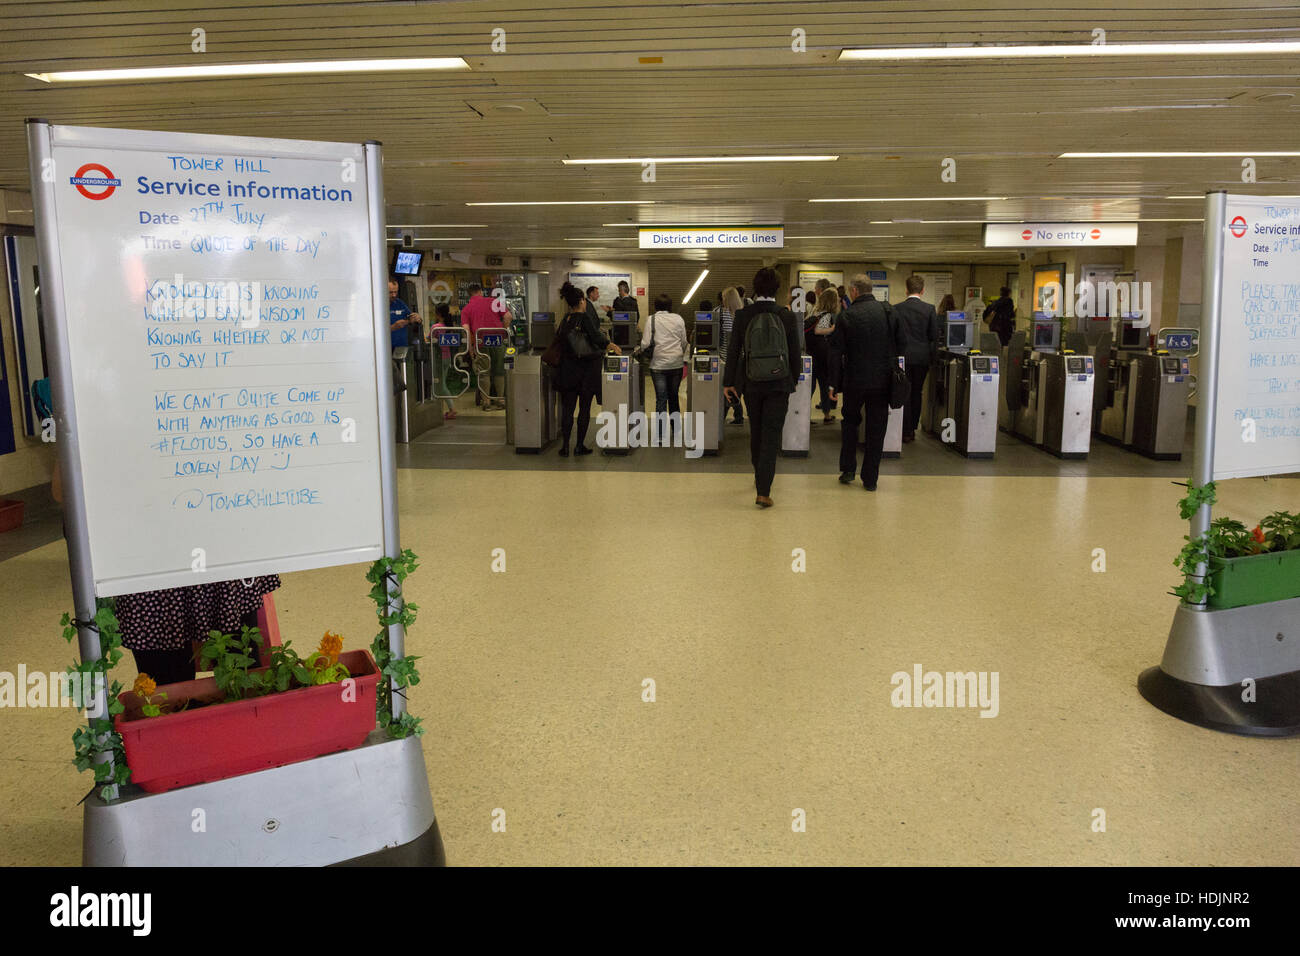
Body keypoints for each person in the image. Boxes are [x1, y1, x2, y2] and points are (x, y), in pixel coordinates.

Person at [723, 267, 802, 508]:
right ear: (777, 289)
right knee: (771, 434)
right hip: (779, 383)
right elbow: (794, 353)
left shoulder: (744, 314)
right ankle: (764, 490)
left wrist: (729, 383)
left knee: (756, 430)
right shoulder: (786, 315)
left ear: (755, 288)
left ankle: (760, 476)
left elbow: (734, 350)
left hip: (752, 381)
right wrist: (793, 380)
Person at [828, 274, 906, 492]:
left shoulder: (847, 315)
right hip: (882, 381)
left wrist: (833, 384)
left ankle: (848, 469)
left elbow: (836, 353)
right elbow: (902, 345)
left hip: (854, 380)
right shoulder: (889, 312)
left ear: (854, 291)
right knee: (876, 427)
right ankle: (871, 478)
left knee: (850, 423)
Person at [555, 281, 620, 456]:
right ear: (582, 301)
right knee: (584, 409)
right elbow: (596, 337)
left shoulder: (565, 319)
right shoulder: (584, 318)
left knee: (568, 409)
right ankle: (579, 446)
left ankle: (565, 447)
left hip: (567, 371)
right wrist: (610, 344)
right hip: (585, 372)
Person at [639, 293, 690, 445]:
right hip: (676, 364)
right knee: (674, 397)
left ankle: (661, 435)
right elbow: (684, 342)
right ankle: (677, 430)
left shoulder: (651, 319)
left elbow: (645, 343)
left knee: (661, 399)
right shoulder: (678, 319)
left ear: (656, 306)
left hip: (658, 365)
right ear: (670, 306)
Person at [894, 275, 940, 442]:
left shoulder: (897, 308)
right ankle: (913, 427)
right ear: (922, 290)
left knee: (903, 392)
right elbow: (934, 336)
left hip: (902, 358)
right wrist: (932, 360)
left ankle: (903, 429)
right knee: (916, 392)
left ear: (906, 290)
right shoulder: (929, 309)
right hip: (922, 359)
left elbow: (894, 335)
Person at [460, 282, 511, 406]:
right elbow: (508, 316)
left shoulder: (467, 309)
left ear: (469, 295)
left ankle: (486, 402)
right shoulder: (494, 302)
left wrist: (470, 348)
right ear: (481, 292)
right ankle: (500, 399)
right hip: (498, 340)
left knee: (484, 372)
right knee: (499, 371)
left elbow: (466, 329)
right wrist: (503, 332)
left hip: (480, 342)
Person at [806, 287, 841, 424]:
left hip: (813, 354)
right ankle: (826, 415)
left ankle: (815, 414)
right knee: (823, 385)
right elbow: (818, 331)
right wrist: (833, 329)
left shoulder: (816, 313)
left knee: (813, 387)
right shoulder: (826, 315)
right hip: (822, 357)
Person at [719, 287, 745, 424]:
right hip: (743, 359)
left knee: (728, 390)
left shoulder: (724, 314)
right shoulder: (744, 313)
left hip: (729, 358)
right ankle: (739, 416)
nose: (722, 300)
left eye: (723, 297)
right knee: (738, 389)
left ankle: (720, 421)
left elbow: (728, 341)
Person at [388, 279, 421, 351]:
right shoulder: (378, 307)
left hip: (402, 348)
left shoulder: (399, 303)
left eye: (395, 292)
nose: (394, 295)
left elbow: (411, 317)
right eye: (390, 292)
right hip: (387, 348)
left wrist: (416, 318)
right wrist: (392, 327)